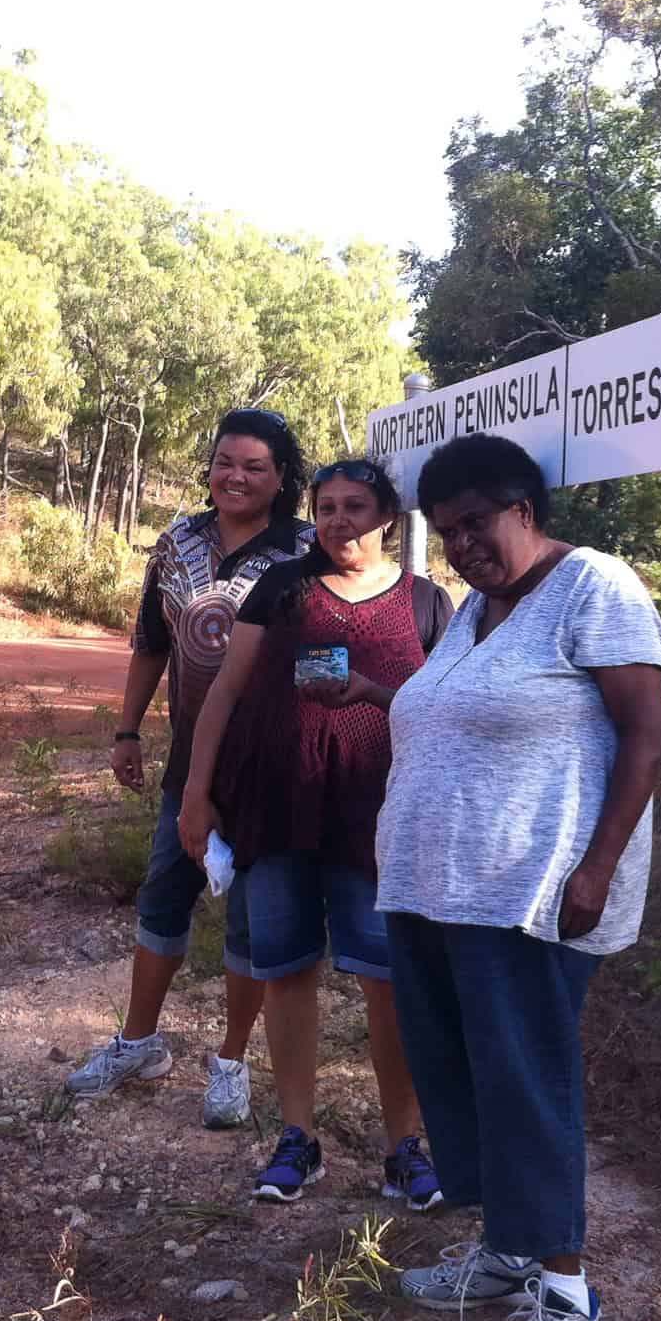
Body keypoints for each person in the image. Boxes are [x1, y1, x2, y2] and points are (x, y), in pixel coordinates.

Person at [373, 434, 661, 1321]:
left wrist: (598, 868)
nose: (463, 546)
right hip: (436, 890)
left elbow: (647, 733)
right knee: (460, 1077)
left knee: (525, 1086)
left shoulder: (594, 585)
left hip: (528, 894)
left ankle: (568, 1299)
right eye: (446, 532)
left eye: (477, 524)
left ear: (524, 509)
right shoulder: (476, 611)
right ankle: (508, 1254)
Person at [176, 458, 453, 1210]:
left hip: (380, 818)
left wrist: (373, 694)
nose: (338, 521)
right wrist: (196, 792)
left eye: (355, 507)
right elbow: (225, 691)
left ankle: (405, 1147)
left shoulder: (427, 602)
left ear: (387, 516)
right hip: (279, 807)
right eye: (326, 507)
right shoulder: (282, 587)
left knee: (387, 978)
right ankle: (297, 1138)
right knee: (287, 970)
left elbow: (444, 709)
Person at [64, 409, 315, 1129]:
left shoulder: (305, 551)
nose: (235, 477)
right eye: (224, 462)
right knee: (163, 896)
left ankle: (231, 1063)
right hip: (189, 767)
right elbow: (151, 642)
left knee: (248, 920)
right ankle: (137, 1043)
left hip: (270, 774)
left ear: (281, 478)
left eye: (255, 467)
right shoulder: (177, 543)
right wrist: (126, 731)